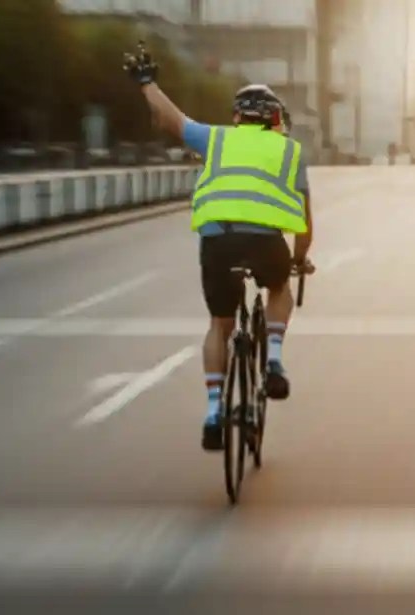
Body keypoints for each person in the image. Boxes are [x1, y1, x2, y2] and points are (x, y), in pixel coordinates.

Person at [124, 43, 315, 452]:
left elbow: (173, 120)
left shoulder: (215, 139)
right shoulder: (290, 151)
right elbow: (305, 219)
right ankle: (275, 358)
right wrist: (299, 259)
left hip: (218, 242)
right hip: (266, 243)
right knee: (279, 287)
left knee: (219, 325)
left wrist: (147, 83)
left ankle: (214, 412)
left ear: (237, 117)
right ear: (278, 120)